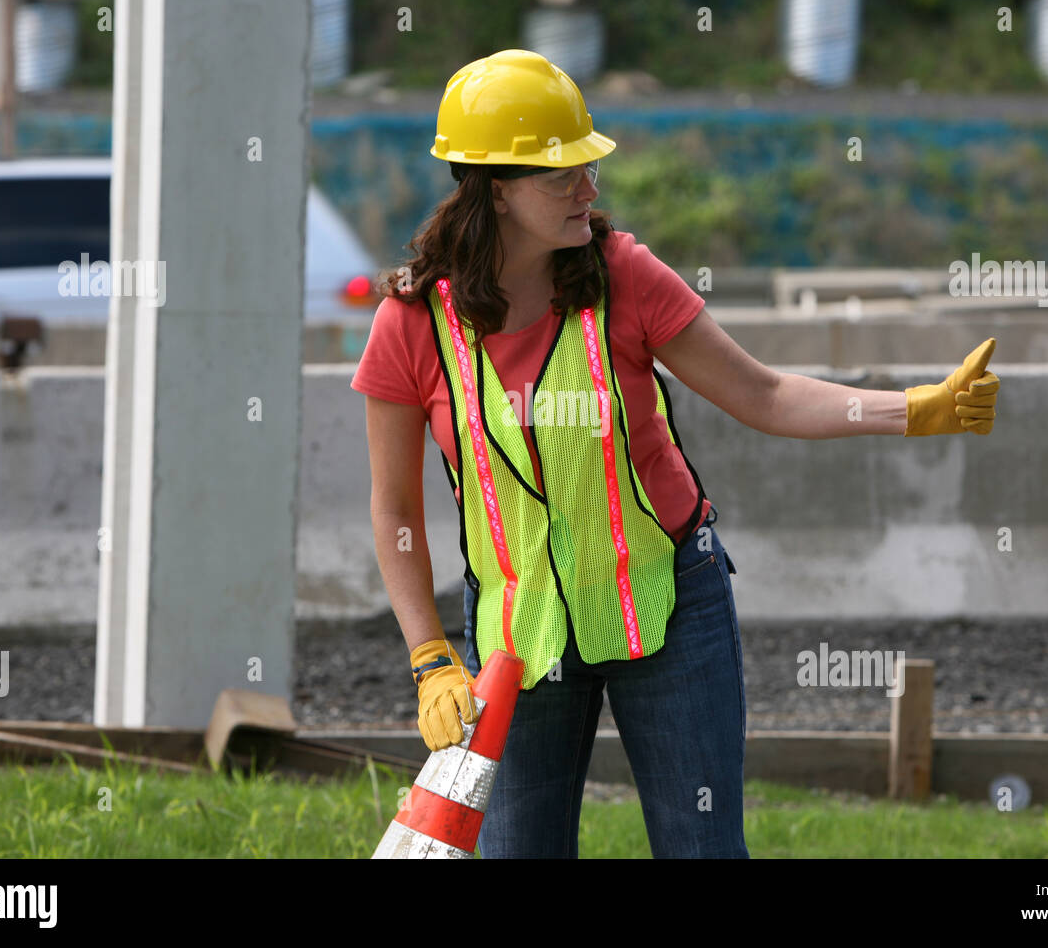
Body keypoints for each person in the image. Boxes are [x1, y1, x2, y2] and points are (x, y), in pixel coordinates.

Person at [351, 48, 999, 859]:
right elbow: (394, 508)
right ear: (496, 190)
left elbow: (763, 395)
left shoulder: (624, 276)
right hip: (521, 638)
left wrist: (915, 410)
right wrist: (427, 657)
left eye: (589, 168)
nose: (590, 188)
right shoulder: (412, 322)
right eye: (564, 175)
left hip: (669, 607)